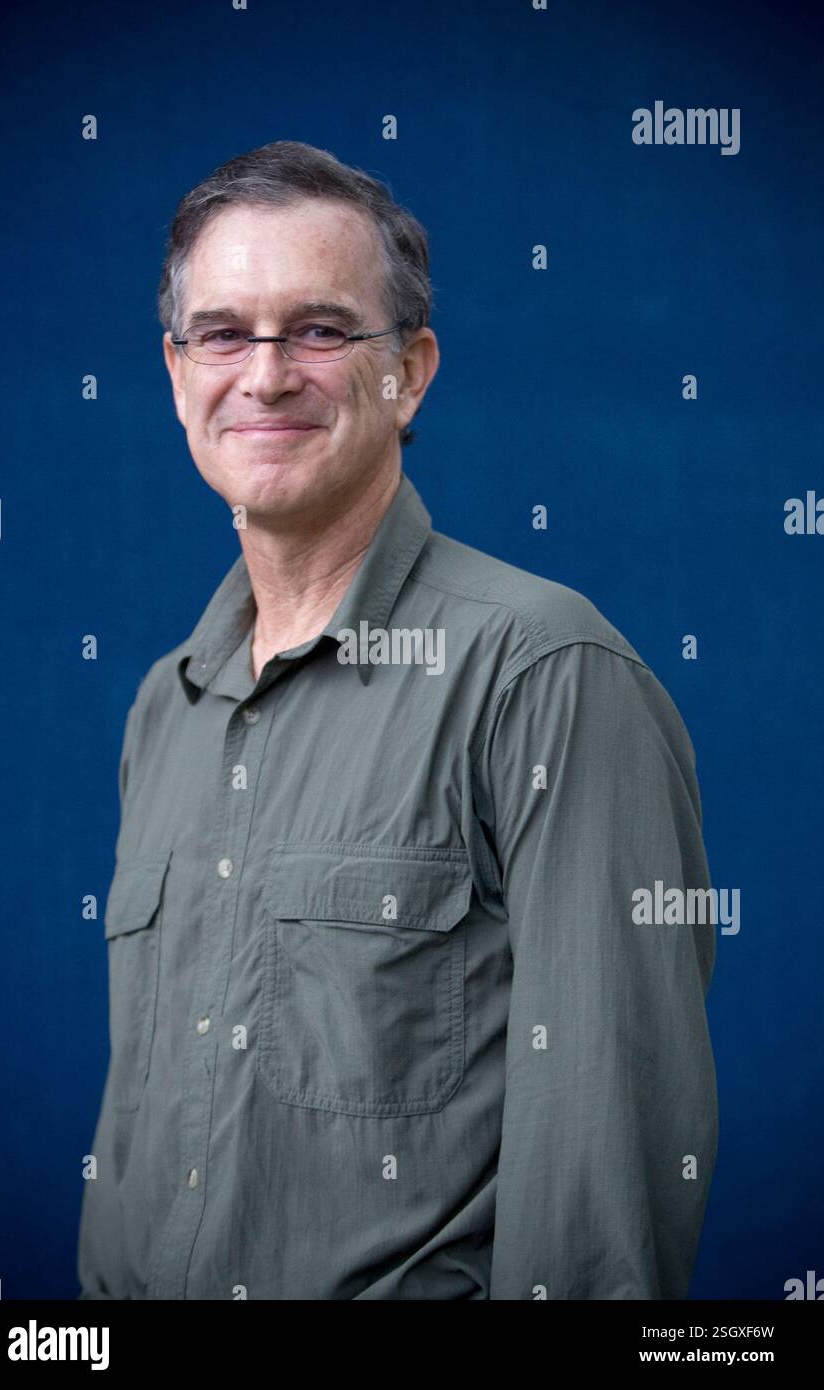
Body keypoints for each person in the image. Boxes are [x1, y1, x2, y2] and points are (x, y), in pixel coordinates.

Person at [77, 140, 718, 1300]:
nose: (264, 376)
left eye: (320, 331)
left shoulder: (543, 673)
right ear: (177, 374)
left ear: (408, 372)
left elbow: (601, 1186)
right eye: (222, 333)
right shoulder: (164, 706)